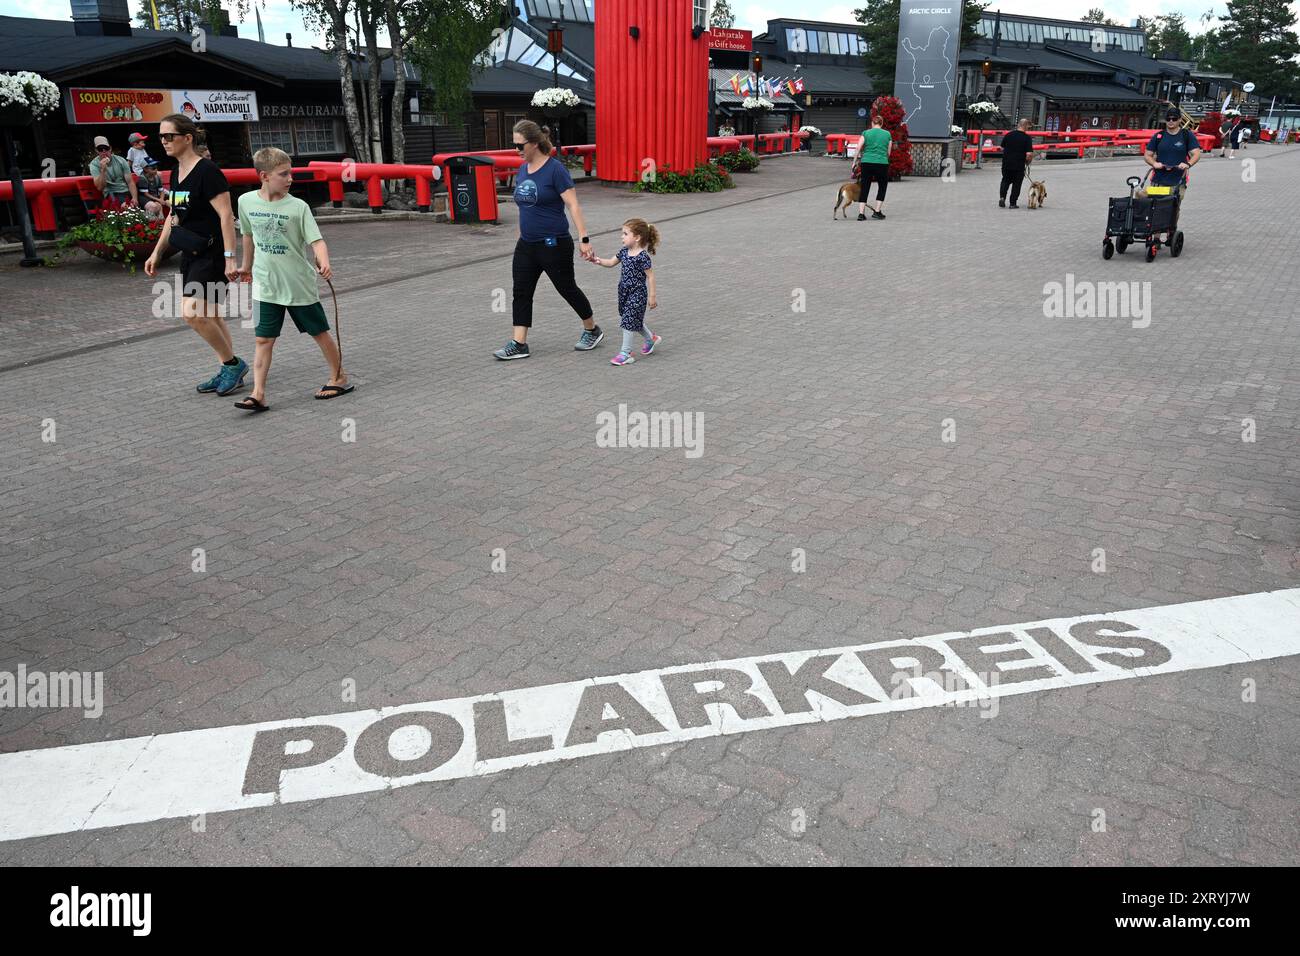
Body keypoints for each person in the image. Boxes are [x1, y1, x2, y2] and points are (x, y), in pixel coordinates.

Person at [233, 147, 349, 412]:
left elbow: (316, 240)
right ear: (264, 175)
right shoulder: (245, 201)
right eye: (283, 174)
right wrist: (245, 266)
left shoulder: (299, 206)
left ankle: (339, 377)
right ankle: (258, 394)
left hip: (297, 283)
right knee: (263, 340)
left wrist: (324, 260)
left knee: (319, 333)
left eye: (290, 173)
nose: (290, 179)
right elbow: (248, 236)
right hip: (265, 284)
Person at [143, 113, 249, 396]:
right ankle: (229, 367)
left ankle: (232, 365)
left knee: (192, 313)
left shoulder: (208, 171)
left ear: (187, 138)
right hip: (190, 252)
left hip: (212, 253)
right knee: (211, 314)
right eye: (161, 137)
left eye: (169, 136)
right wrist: (157, 252)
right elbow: (173, 215)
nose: (164, 142)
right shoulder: (177, 172)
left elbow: (227, 216)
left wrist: (230, 258)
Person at [494, 120, 601, 361]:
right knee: (521, 291)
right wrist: (521, 237)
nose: (516, 150)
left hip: (554, 243)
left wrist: (584, 239)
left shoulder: (555, 170)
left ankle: (592, 329)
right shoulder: (523, 170)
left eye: (519, 145)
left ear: (533, 143)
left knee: (566, 288)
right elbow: (525, 207)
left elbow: (573, 204)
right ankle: (519, 343)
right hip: (527, 245)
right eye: (514, 145)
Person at [589, 218, 660, 366]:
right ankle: (651, 339)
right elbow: (610, 262)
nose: (622, 236)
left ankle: (625, 353)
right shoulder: (624, 252)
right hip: (623, 292)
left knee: (627, 321)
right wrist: (597, 260)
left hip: (638, 294)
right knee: (633, 320)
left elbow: (651, 276)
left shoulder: (642, 256)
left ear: (637, 237)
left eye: (625, 233)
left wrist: (652, 296)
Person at [1145, 107, 1201, 203]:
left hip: (1178, 181)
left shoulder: (1186, 135)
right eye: (1168, 119)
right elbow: (1147, 155)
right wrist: (1154, 163)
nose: (1171, 121)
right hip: (1158, 180)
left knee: (1173, 209)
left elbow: (1196, 154)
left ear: (1180, 119)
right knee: (1155, 207)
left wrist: (1188, 164)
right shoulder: (1159, 136)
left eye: (1174, 119)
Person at [855, 114, 892, 220]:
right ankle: (877, 211)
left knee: (865, 187)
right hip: (881, 163)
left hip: (866, 162)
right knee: (882, 186)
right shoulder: (887, 134)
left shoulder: (865, 133)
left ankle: (861, 214)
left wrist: (854, 162)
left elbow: (858, 148)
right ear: (882, 123)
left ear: (872, 123)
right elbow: (888, 152)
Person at [88, 136, 138, 206]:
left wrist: (135, 198)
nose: (104, 151)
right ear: (96, 151)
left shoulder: (121, 160)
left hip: (126, 191)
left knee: (153, 206)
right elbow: (100, 187)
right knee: (126, 206)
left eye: (106, 148)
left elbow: (130, 182)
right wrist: (103, 170)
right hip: (111, 193)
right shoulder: (94, 164)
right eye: (100, 149)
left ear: (110, 148)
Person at [998, 118, 1035, 208]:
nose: (1028, 129)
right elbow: (1029, 154)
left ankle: (1002, 197)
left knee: (1005, 181)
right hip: (1018, 165)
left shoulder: (1009, 135)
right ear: (1025, 126)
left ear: (1019, 125)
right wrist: (1028, 162)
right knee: (1016, 184)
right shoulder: (1027, 138)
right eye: (1028, 127)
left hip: (1006, 163)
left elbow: (1002, 147)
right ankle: (1012, 203)